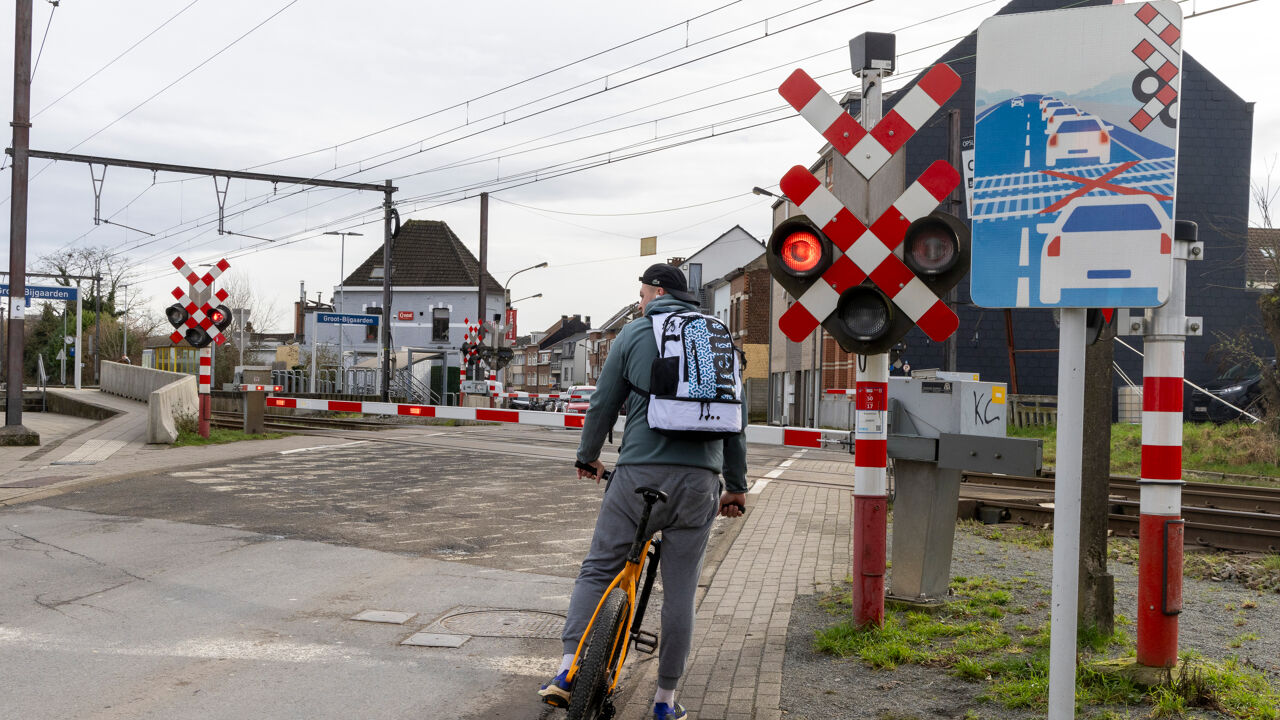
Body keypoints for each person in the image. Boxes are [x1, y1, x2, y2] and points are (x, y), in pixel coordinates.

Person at [540, 263, 748, 720]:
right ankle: (664, 701)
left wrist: (587, 455)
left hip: (639, 474)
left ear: (655, 292)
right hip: (699, 484)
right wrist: (736, 487)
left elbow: (603, 403)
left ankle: (568, 671)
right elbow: (735, 421)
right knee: (680, 592)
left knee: (598, 569)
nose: (638, 302)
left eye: (640, 294)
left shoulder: (634, 334)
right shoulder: (718, 339)